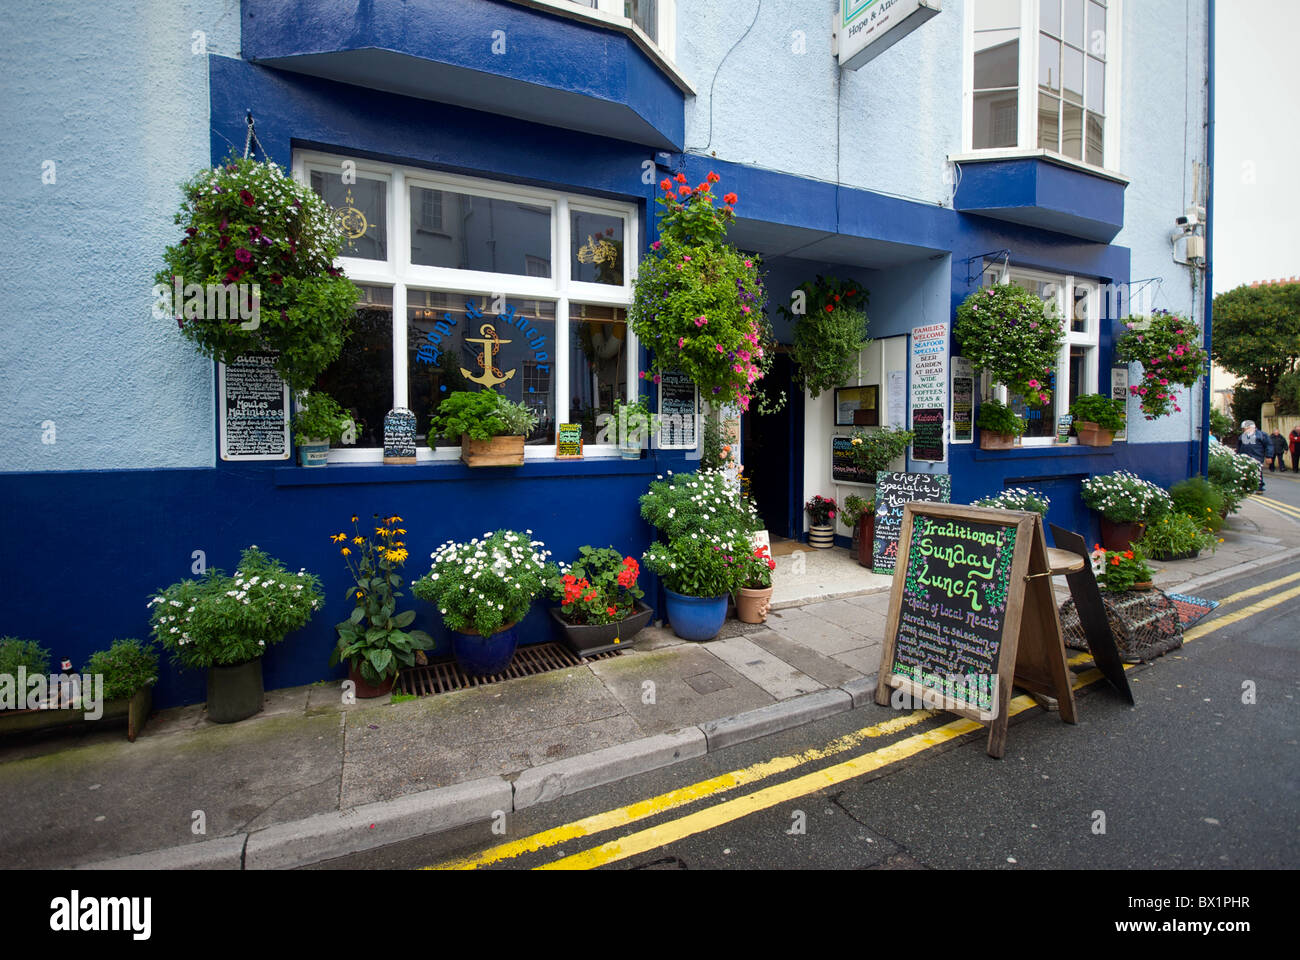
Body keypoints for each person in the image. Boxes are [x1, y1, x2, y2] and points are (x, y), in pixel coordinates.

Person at [1237, 420, 1269, 491]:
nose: (1243, 430)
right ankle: (1246, 486)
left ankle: (1259, 486)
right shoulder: (1242, 436)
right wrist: (1238, 455)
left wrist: (1268, 456)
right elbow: (1239, 446)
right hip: (1245, 456)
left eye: (1244, 428)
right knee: (1245, 472)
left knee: (1257, 471)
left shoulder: (1261, 435)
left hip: (1257, 456)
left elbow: (1268, 445)